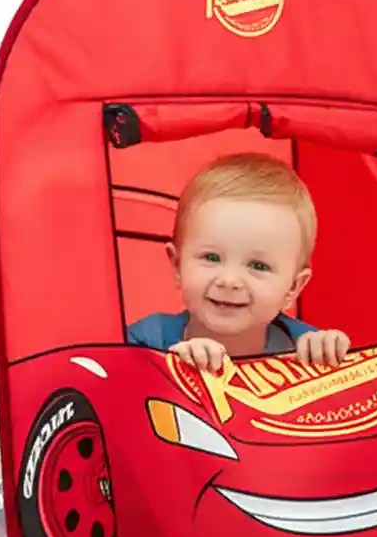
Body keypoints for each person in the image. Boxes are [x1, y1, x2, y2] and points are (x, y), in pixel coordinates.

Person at [126, 152, 350, 373]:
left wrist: (337, 361)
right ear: (177, 265)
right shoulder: (142, 343)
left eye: (258, 266)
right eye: (211, 258)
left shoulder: (308, 352)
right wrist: (170, 369)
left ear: (293, 287)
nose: (229, 281)